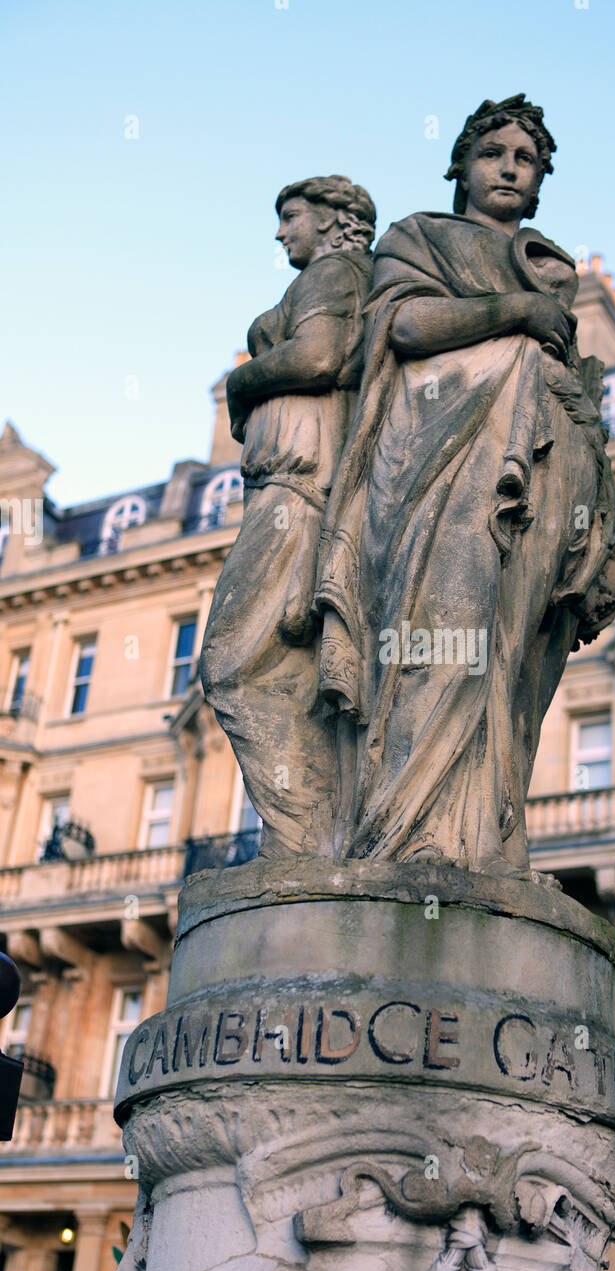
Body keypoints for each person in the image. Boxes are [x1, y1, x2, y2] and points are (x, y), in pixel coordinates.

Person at [314, 96, 615, 873]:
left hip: (533, 477)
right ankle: (407, 840)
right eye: (495, 152)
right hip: (431, 465)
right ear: (460, 163)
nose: (510, 168)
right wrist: (514, 311)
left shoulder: (549, 268)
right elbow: (409, 328)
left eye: (526, 160)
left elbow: (569, 390)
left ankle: (488, 843)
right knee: (438, 637)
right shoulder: (418, 237)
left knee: (512, 658)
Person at [200, 176, 376, 856]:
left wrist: (243, 383)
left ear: (334, 220)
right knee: (289, 666)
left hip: (297, 491)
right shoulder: (337, 275)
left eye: (290, 216)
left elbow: (320, 356)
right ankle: (309, 833)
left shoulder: (334, 273)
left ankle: (306, 836)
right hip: (291, 489)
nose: (280, 233)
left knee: (233, 659)